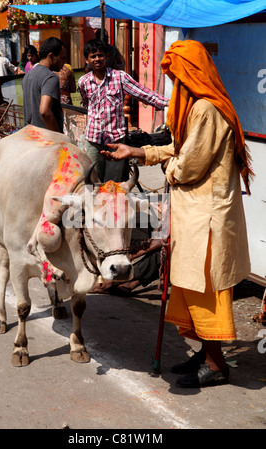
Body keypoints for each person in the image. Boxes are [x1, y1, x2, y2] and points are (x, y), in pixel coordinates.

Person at [101, 40, 252, 388]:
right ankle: (205, 354)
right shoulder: (195, 108)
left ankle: (216, 365)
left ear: (192, 74)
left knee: (204, 289)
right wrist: (138, 151)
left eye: (176, 76)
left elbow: (188, 165)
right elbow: (179, 148)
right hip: (194, 216)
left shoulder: (207, 110)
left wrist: (168, 166)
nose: (173, 84)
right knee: (189, 286)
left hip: (208, 217)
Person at [78, 39, 169, 183]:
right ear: (87, 60)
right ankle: (92, 206)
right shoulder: (83, 82)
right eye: (93, 56)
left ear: (106, 57)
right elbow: (86, 104)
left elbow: (142, 93)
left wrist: (167, 103)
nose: (97, 59)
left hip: (116, 140)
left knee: (113, 184)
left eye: (100, 55)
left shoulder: (119, 77)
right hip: (93, 139)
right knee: (92, 182)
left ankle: (112, 206)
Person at [22, 37, 66, 133]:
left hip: (30, 135)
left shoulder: (27, 75)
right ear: (51, 56)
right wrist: (58, 137)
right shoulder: (50, 77)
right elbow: (44, 111)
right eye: (62, 58)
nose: (63, 63)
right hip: (46, 139)